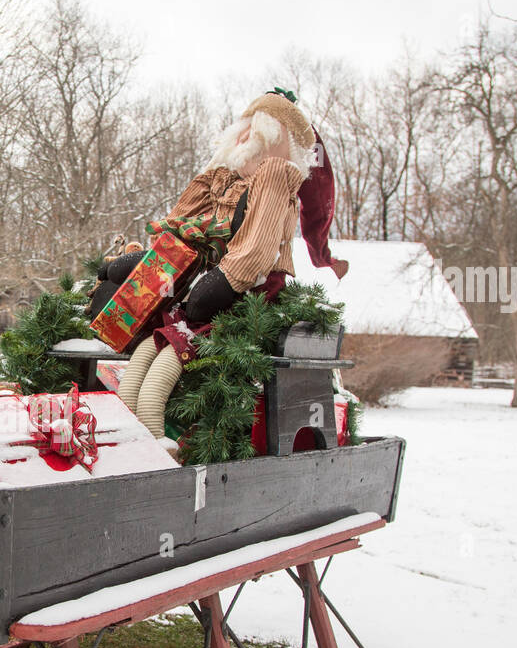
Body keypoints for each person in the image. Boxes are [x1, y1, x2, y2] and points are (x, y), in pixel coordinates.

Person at [93, 90, 348, 438]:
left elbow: (258, 246)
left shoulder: (275, 178)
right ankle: (131, 437)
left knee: (166, 365)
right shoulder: (221, 181)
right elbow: (183, 227)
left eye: (257, 133)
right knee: (147, 350)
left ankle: (154, 436)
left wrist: (227, 280)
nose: (244, 139)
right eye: (243, 131)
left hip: (247, 295)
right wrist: (155, 260)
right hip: (201, 287)